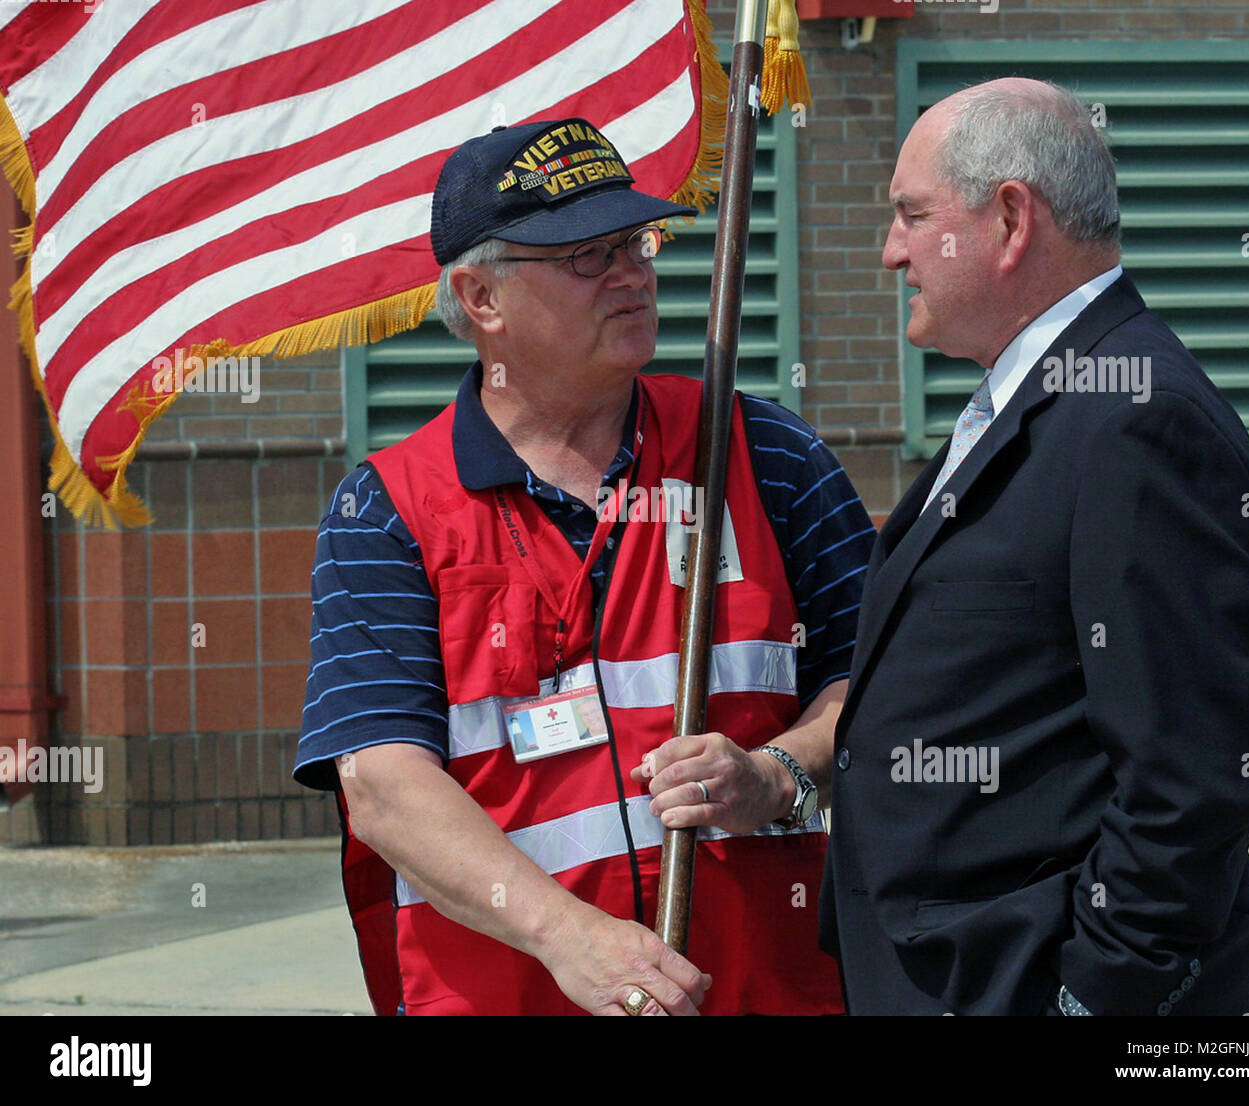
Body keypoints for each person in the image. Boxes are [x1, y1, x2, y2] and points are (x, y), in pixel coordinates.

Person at [294, 117, 874, 1015]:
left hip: (767, 990)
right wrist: (574, 942)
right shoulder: (388, 509)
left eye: (635, 243)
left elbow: (883, 682)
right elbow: (382, 785)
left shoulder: (763, 451)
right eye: (585, 256)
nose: (635, 273)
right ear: (479, 297)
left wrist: (777, 774)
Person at [821, 78, 1249, 1016]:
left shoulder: (1139, 419)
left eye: (912, 216)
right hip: (958, 969)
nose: (891, 253)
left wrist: (1098, 997)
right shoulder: (1046, 397)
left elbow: (1192, 778)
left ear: (1007, 219)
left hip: (1034, 982)